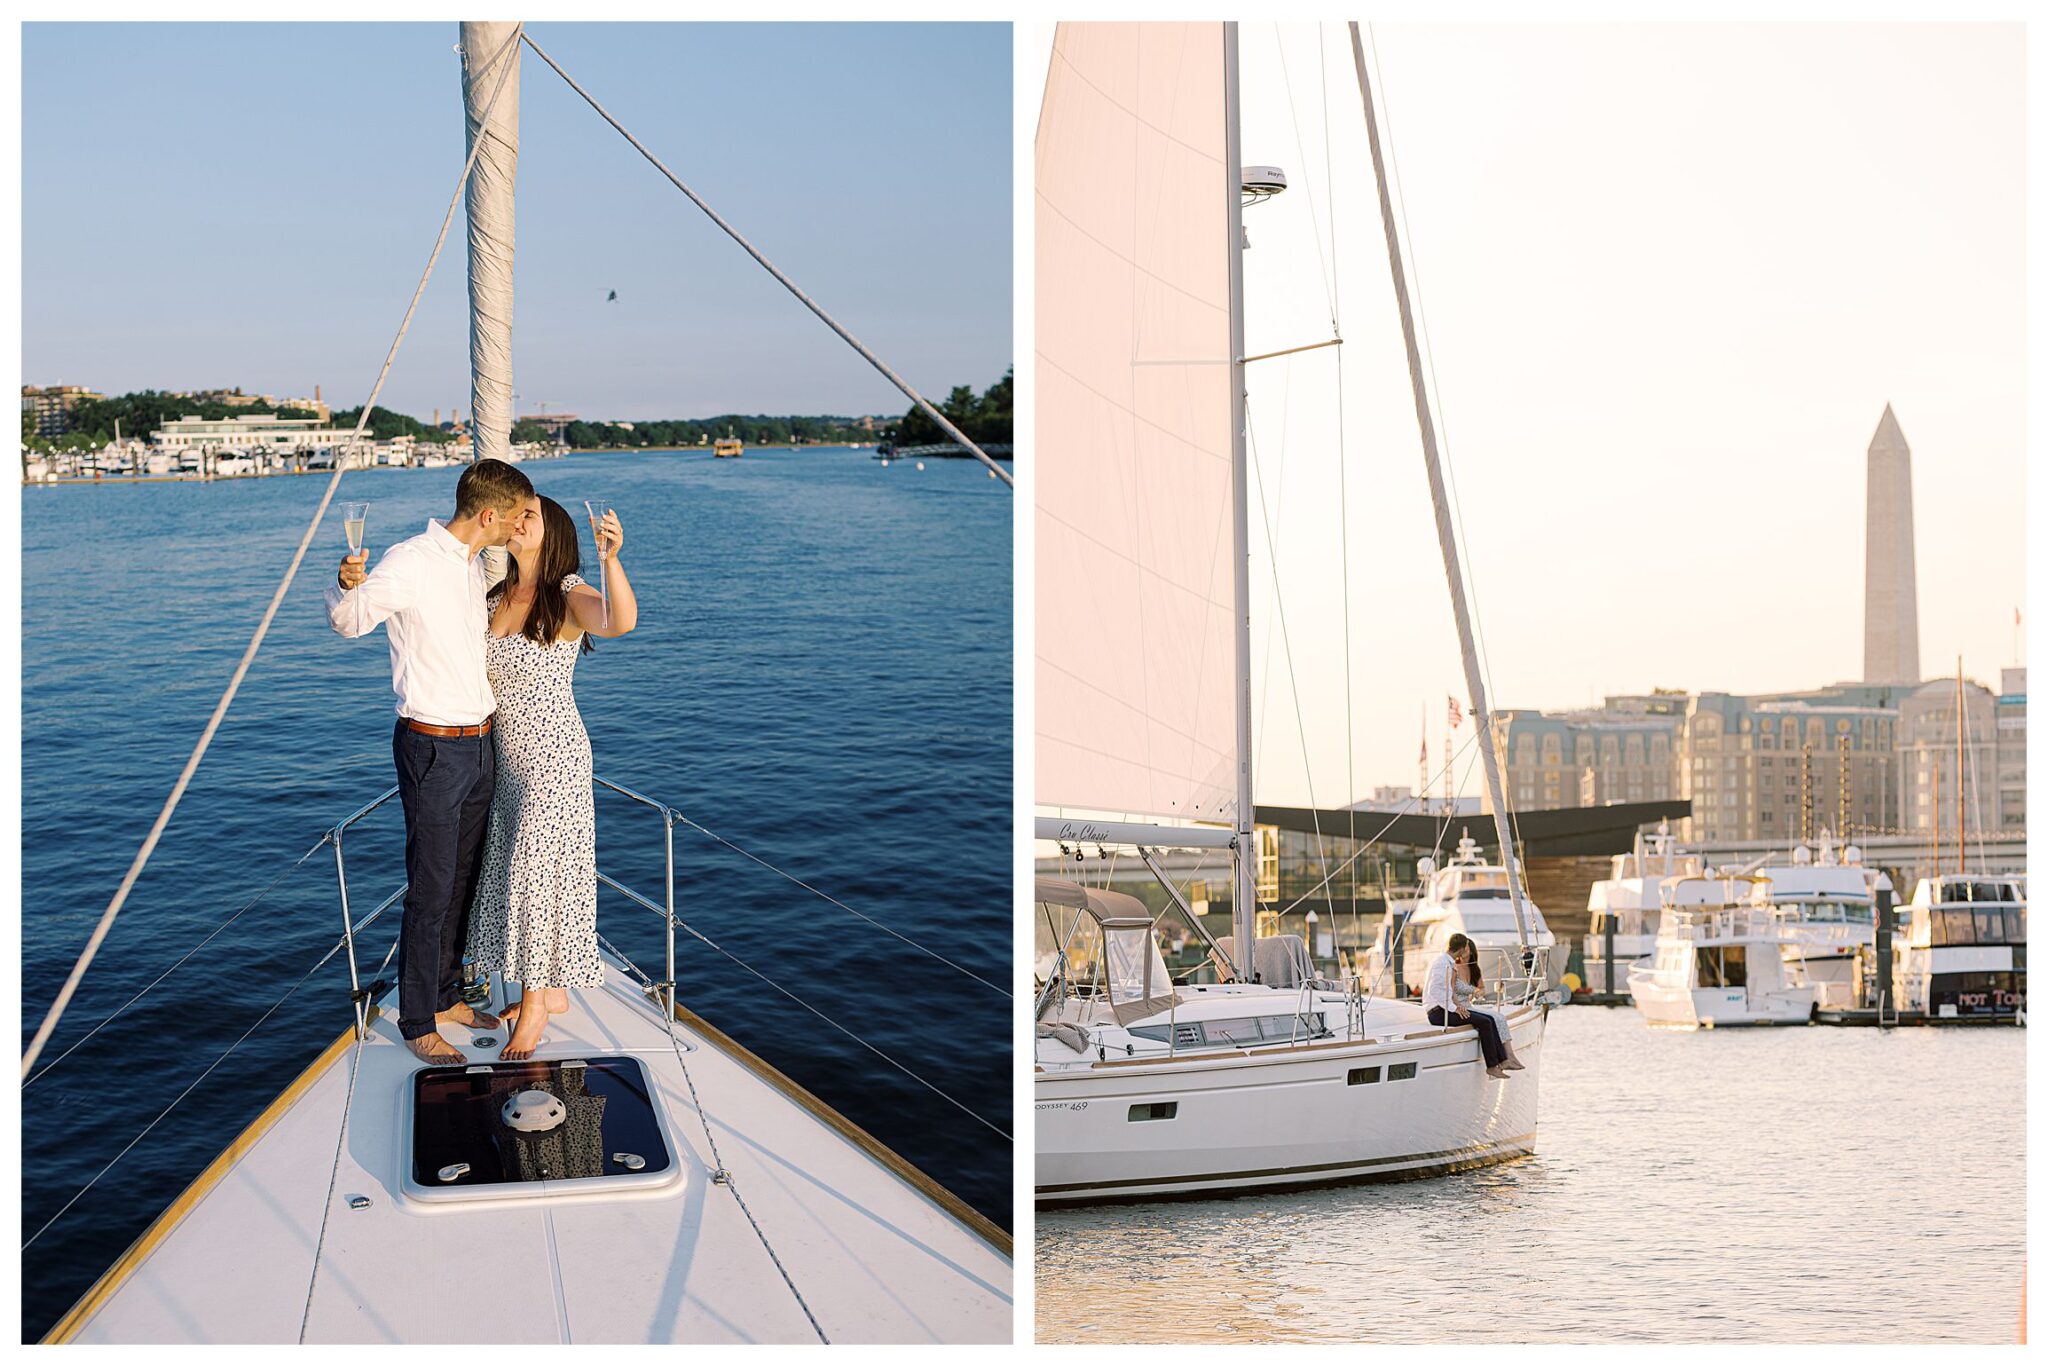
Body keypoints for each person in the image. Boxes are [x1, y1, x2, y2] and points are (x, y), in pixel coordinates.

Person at [327, 457, 535, 1065]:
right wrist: (346, 583)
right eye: (517, 517)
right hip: (434, 747)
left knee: (463, 879)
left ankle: (445, 994)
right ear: (489, 514)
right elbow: (349, 622)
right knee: (432, 885)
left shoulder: (470, 567)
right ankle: (418, 1018)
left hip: (479, 742)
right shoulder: (411, 561)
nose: (519, 527)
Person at [466, 495, 639, 1060]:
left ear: (554, 532)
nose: (517, 520)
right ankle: (555, 991)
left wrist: (610, 559)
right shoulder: (494, 595)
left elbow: (619, 622)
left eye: (530, 516)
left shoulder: (565, 593)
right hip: (506, 760)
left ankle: (535, 1003)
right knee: (532, 871)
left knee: (532, 875)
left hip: (554, 758)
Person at [1421, 932, 1512, 1079]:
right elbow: (1435, 991)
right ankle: (1492, 1066)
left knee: (1488, 1019)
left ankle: (1503, 1060)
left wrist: (1458, 1005)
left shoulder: (1447, 962)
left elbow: (1449, 992)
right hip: (1437, 1013)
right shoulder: (1442, 964)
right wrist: (1454, 1008)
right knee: (1484, 1022)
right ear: (1462, 949)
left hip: (1445, 1009)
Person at [1453, 949, 1526, 1072]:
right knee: (1495, 1018)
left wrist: (1479, 992)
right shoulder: (1454, 968)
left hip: (1470, 1005)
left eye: (1466, 950)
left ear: (1471, 952)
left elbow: (1482, 988)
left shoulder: (1474, 969)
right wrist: (1474, 990)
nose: (1463, 953)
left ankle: (1510, 1056)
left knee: (1500, 1017)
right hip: (1461, 1007)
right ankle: (1506, 1058)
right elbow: (1458, 987)